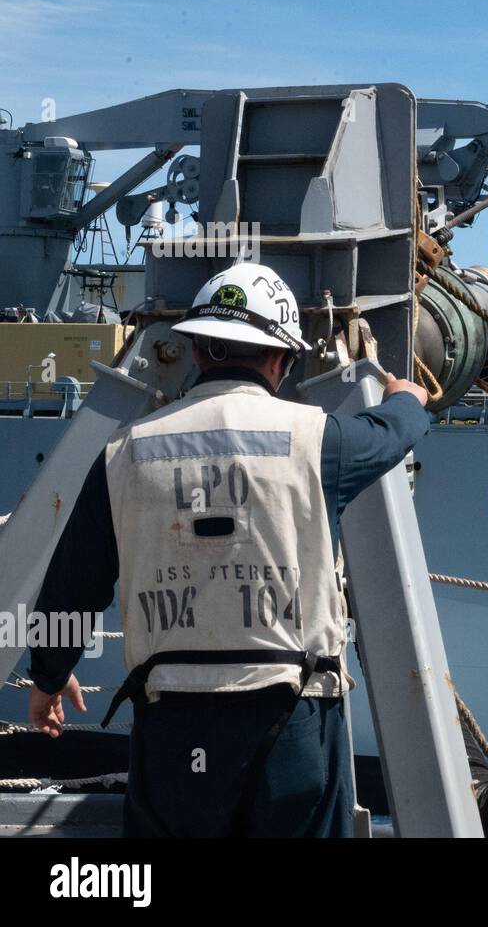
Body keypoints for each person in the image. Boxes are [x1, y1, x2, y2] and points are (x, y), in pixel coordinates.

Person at [25, 261, 431, 838]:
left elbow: (75, 583)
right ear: (281, 359)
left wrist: (48, 677)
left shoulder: (126, 454)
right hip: (292, 718)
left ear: (195, 350)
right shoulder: (318, 440)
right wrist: (406, 397)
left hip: (172, 724)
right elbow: (394, 433)